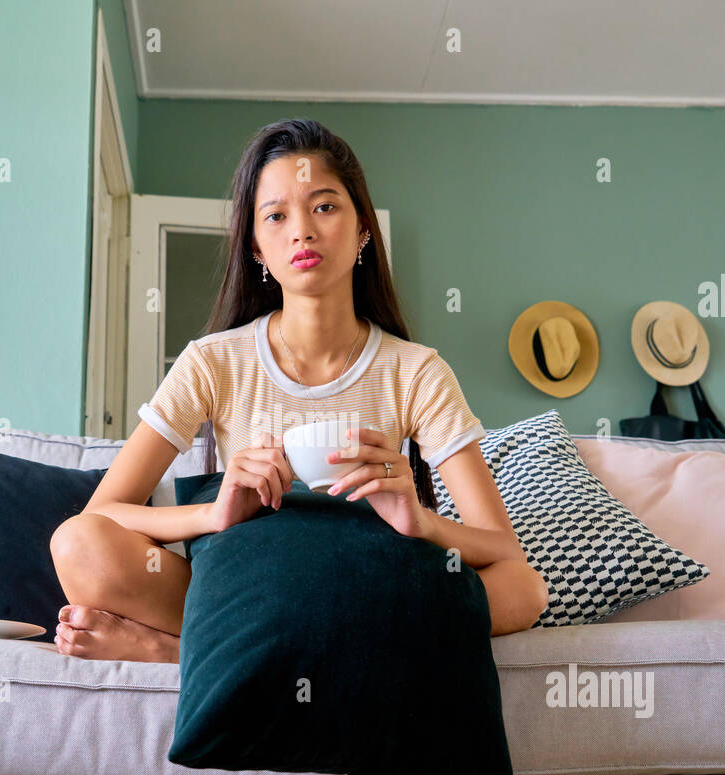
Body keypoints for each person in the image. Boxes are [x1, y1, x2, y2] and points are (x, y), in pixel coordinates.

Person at [49, 119, 548, 662]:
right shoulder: (212, 362)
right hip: (247, 591)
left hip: (370, 587)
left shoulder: (417, 371)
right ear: (257, 248)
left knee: (525, 587)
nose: (302, 231)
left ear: (363, 228)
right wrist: (215, 513)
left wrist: (419, 520)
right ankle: (318, 652)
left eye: (325, 206)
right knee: (77, 544)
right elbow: (104, 514)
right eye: (276, 215)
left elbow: (502, 550)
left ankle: (176, 652)